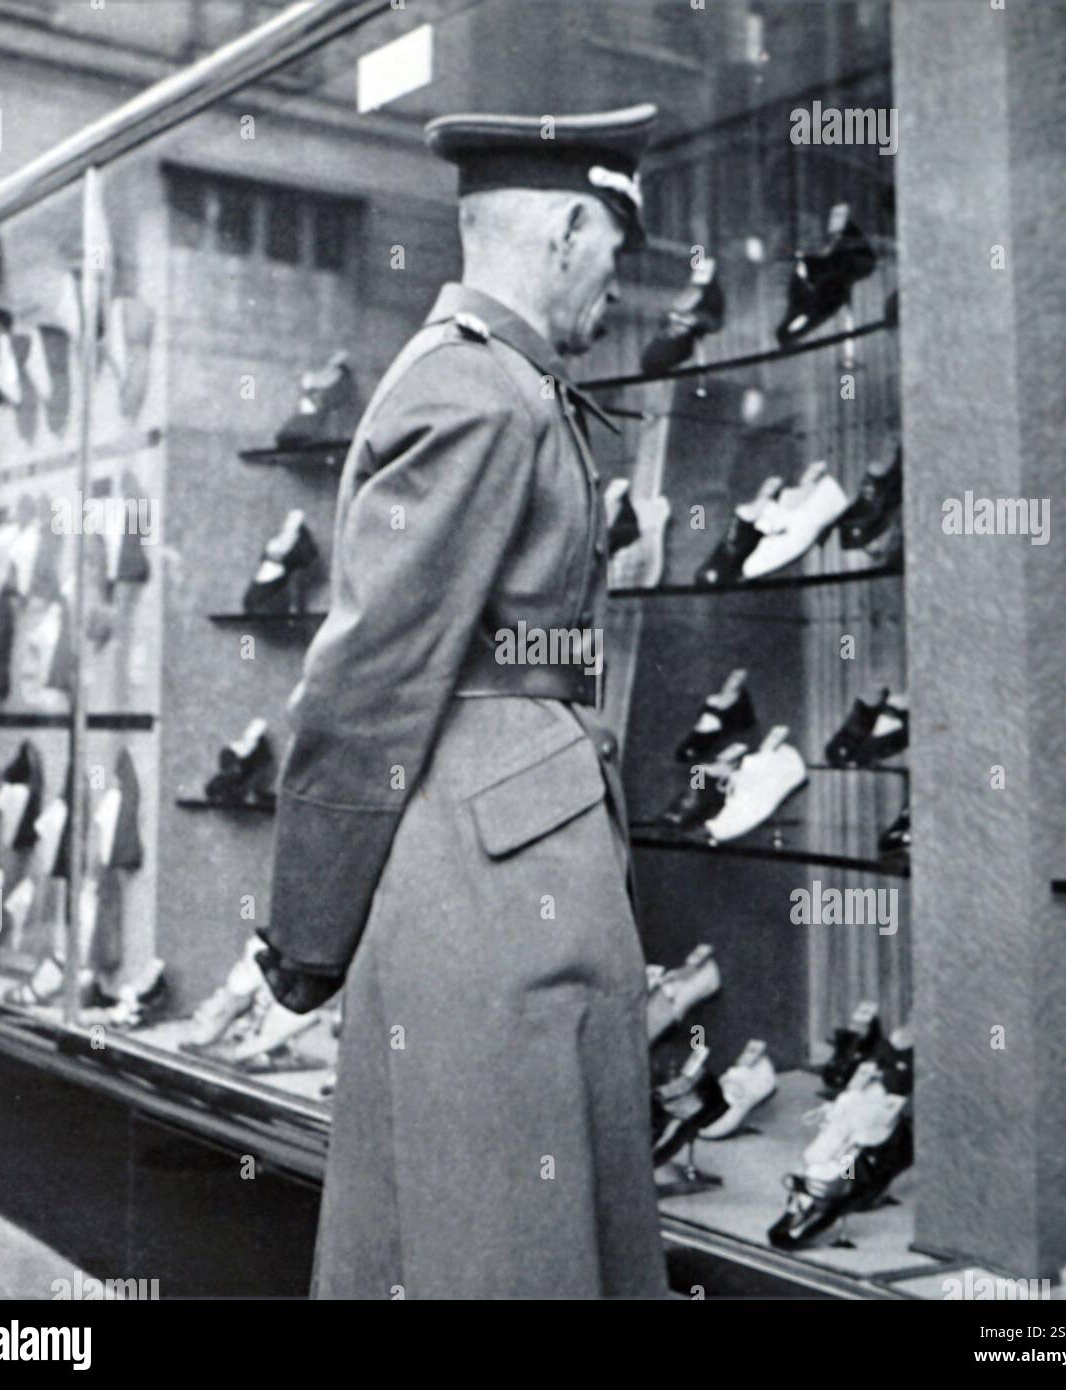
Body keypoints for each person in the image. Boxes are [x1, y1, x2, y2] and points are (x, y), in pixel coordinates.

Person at [259, 105, 668, 1299]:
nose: (613, 282)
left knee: (502, 1235)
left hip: (504, 873)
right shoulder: (477, 395)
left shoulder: (509, 387)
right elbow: (374, 670)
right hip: (491, 894)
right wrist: (306, 931)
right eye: (611, 250)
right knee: (498, 1247)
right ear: (570, 228)